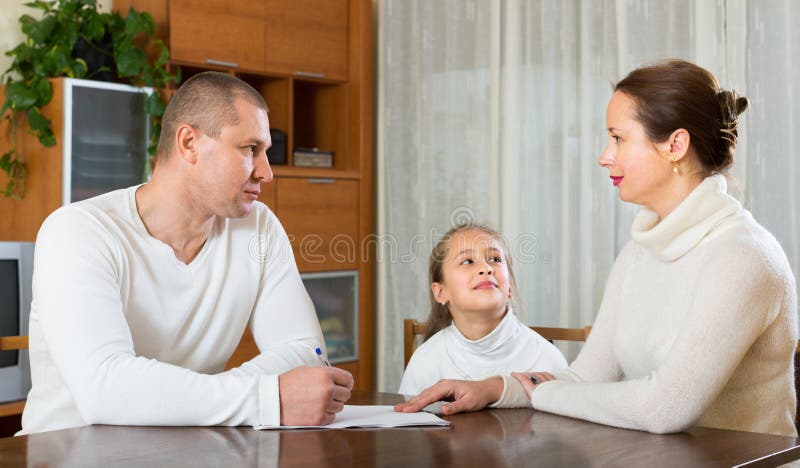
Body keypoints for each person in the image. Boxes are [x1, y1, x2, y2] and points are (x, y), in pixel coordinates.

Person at [396, 59, 798, 437]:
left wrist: (540, 392)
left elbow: (665, 407)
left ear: (675, 146)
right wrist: (494, 389)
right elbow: (586, 378)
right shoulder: (640, 253)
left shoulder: (743, 257)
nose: (604, 157)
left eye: (618, 138)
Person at [19, 72, 353, 435]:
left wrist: (193, 398)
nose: (267, 172)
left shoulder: (257, 227)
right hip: (69, 454)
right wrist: (268, 396)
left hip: (190, 449)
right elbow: (104, 389)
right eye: (250, 149)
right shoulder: (77, 232)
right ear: (189, 143)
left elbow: (308, 353)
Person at [398, 223, 567, 396]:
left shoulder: (546, 359)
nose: (486, 268)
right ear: (441, 292)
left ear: (510, 288)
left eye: (495, 260)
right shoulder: (425, 360)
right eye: (467, 261)